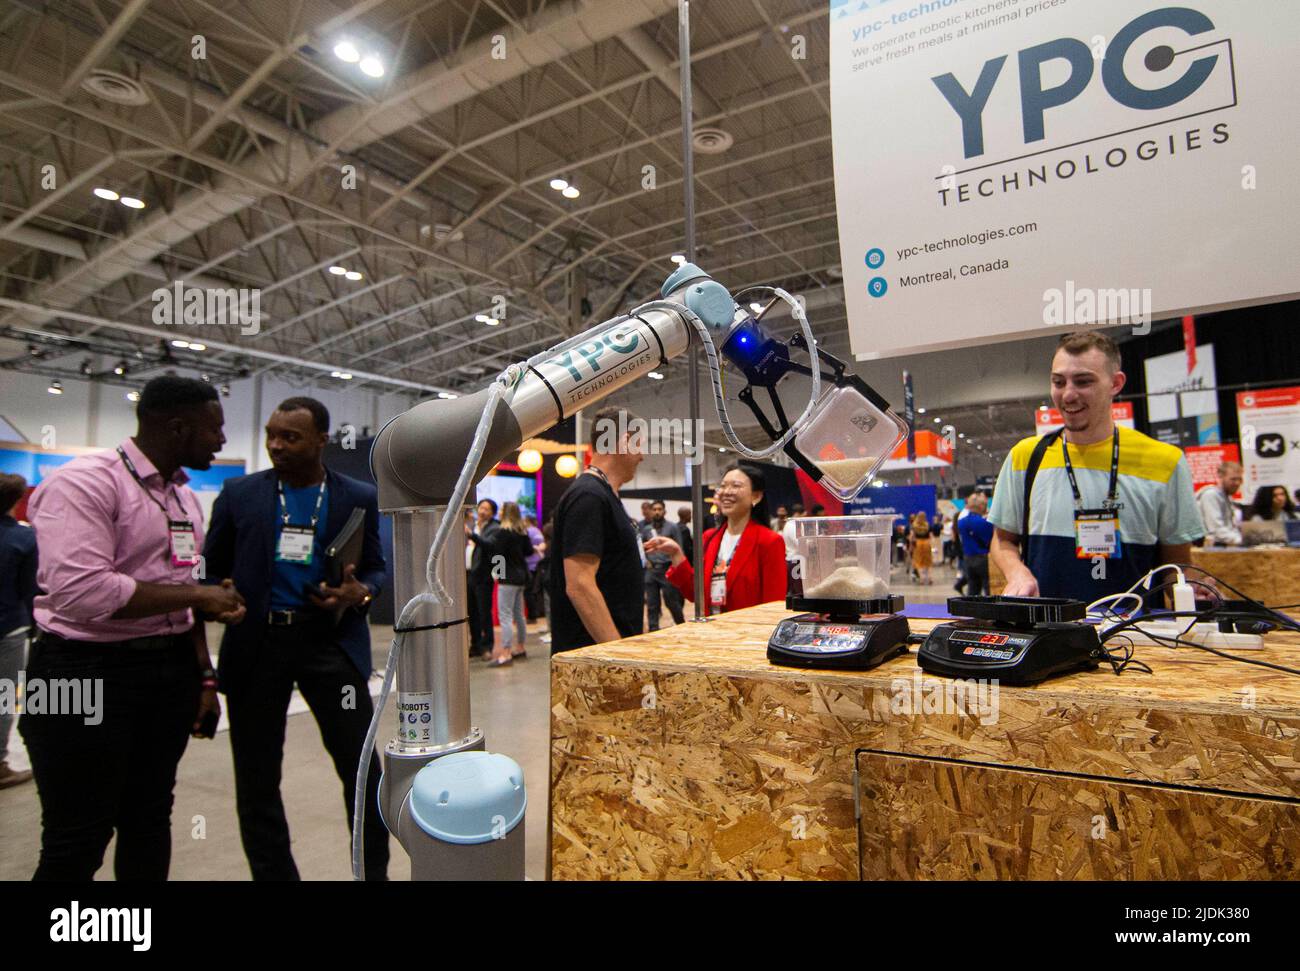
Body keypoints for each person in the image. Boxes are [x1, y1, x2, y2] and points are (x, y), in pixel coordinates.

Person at [21, 376, 244, 880]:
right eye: (215, 429)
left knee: (148, 819)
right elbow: (83, 594)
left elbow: (182, 598)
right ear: (177, 426)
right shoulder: (85, 483)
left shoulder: (183, 500)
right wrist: (199, 594)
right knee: (77, 834)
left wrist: (205, 678)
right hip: (79, 673)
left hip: (166, 672)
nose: (222, 441)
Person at [202, 396, 390, 881]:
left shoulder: (357, 496)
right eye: (271, 435)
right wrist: (216, 594)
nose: (276, 446)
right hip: (257, 647)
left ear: (321, 440)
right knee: (257, 780)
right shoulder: (239, 494)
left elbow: (375, 568)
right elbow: (211, 570)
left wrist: (361, 592)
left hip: (331, 645)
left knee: (364, 772)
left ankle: (373, 874)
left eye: (290, 437)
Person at [989, 331, 1203, 600]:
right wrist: (1017, 572)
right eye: (1058, 382)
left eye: (1083, 382)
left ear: (1115, 383)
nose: (1068, 395)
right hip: (1047, 628)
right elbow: (1002, 540)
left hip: (1134, 633)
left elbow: (1176, 565)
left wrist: (1192, 590)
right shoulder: (1026, 457)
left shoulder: (1165, 462)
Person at [549, 407, 646, 653]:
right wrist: (617, 652)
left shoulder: (602, 494)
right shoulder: (589, 496)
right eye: (639, 445)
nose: (642, 456)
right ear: (625, 441)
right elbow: (579, 584)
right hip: (594, 657)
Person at [648, 463, 787, 615]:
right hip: (711, 631)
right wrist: (676, 554)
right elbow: (697, 594)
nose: (726, 492)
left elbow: (774, 606)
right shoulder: (709, 538)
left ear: (756, 496)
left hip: (746, 634)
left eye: (736, 485)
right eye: (723, 486)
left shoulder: (769, 541)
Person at [0, 473, 37, 789]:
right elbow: (30, 590)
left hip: (10, 626)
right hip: (9, 627)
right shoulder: (25, 539)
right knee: (2, 696)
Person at [493, 502, 535, 664]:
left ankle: (506, 652)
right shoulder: (522, 533)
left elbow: (498, 556)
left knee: (505, 615)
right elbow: (529, 552)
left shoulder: (502, 533)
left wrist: (499, 574)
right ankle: (521, 647)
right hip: (521, 577)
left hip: (507, 578)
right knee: (519, 615)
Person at [640, 499, 686, 631]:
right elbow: (641, 548)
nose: (657, 512)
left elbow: (679, 548)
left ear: (664, 511)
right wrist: (645, 561)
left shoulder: (672, 527)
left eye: (659, 509)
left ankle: (682, 626)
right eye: (654, 510)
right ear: (650, 511)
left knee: (672, 602)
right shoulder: (646, 529)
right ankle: (653, 630)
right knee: (652, 604)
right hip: (651, 571)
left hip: (667, 570)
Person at [466, 499, 501, 659]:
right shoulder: (474, 526)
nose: (482, 511)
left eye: (486, 509)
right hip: (468, 575)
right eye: (481, 507)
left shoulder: (495, 528)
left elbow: (490, 545)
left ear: (492, 512)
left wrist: (472, 535)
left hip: (483, 576)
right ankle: (476, 645)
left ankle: (487, 646)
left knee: (484, 613)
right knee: (471, 613)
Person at [1196, 461, 1243, 546]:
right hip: (1211, 550)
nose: (1237, 483)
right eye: (1233, 479)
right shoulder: (1211, 495)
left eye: (1240, 479)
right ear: (1221, 477)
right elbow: (1216, 531)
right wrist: (1242, 541)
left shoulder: (1227, 497)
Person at [956, 492, 994, 596]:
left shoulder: (961, 521)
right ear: (981, 506)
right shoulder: (983, 523)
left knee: (972, 590)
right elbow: (989, 540)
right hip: (982, 558)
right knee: (988, 589)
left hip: (968, 558)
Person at [910, 511, 934, 585]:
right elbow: (930, 536)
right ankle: (930, 578)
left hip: (918, 544)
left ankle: (922, 579)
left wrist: (911, 545)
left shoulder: (914, 525)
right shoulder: (927, 525)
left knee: (918, 562)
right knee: (928, 562)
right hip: (927, 544)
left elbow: (912, 537)